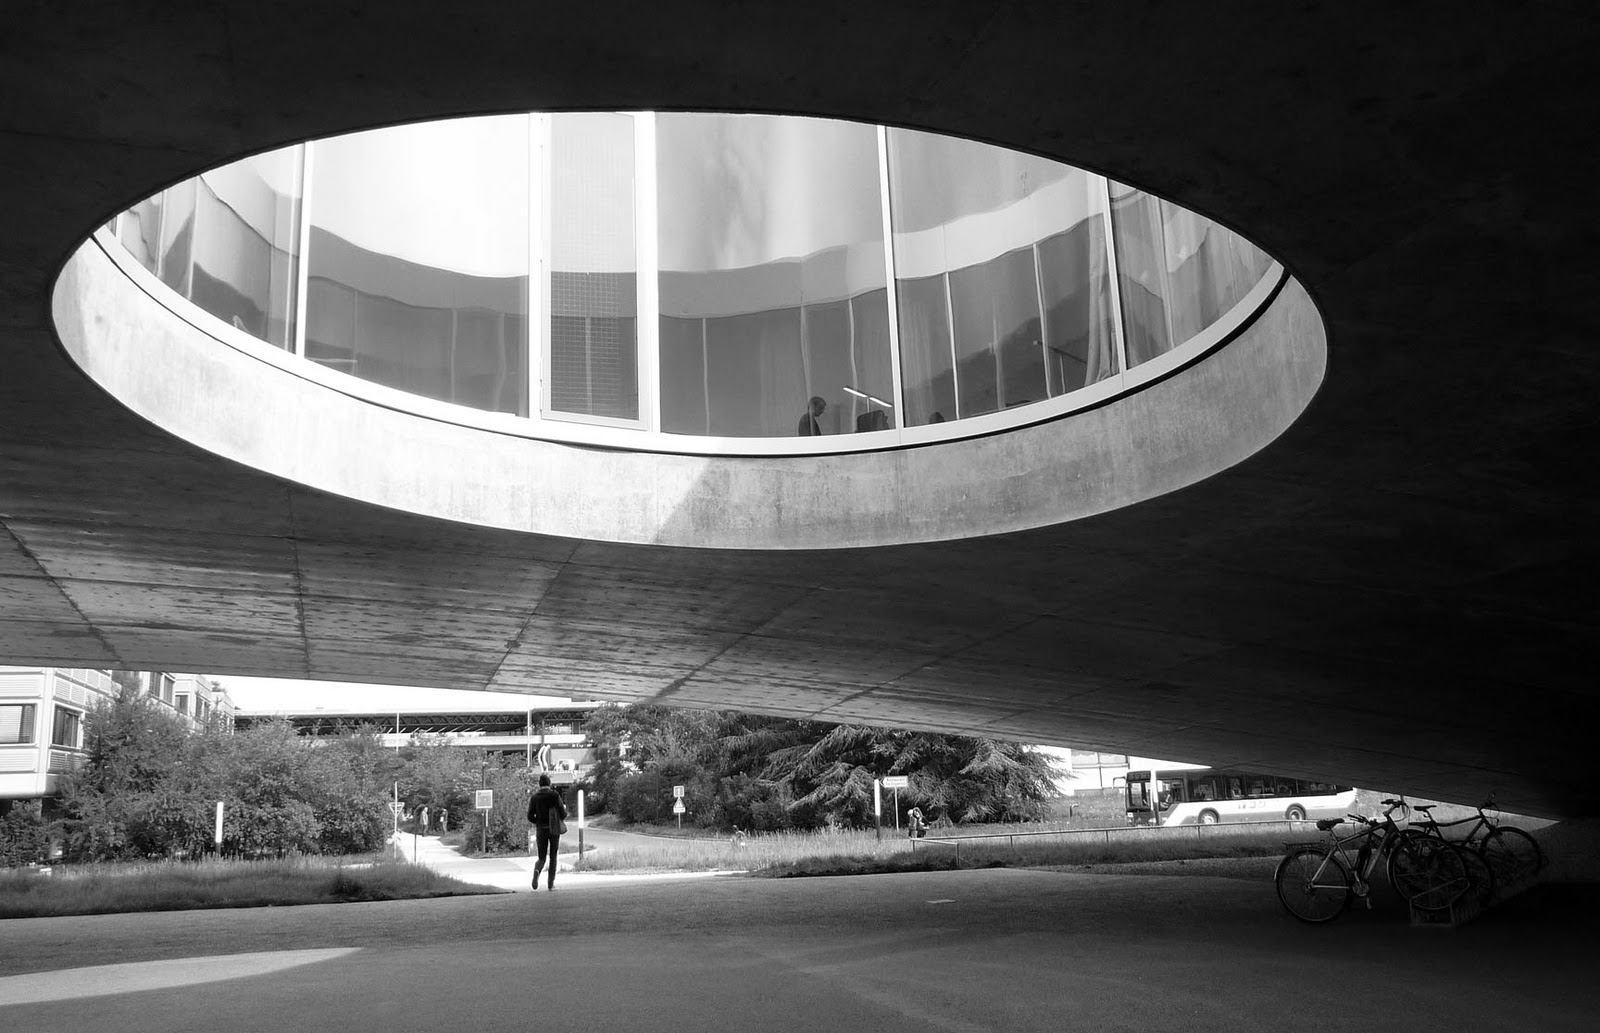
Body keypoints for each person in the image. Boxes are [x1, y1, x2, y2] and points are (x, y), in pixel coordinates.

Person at [527, 773, 568, 891]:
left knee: (542, 857)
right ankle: (551, 884)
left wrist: (538, 822)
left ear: (539, 784)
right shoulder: (554, 795)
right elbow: (562, 812)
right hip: (553, 828)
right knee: (553, 856)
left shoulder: (535, 797)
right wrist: (561, 818)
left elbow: (530, 815)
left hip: (541, 829)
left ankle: (537, 870)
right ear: (549, 784)